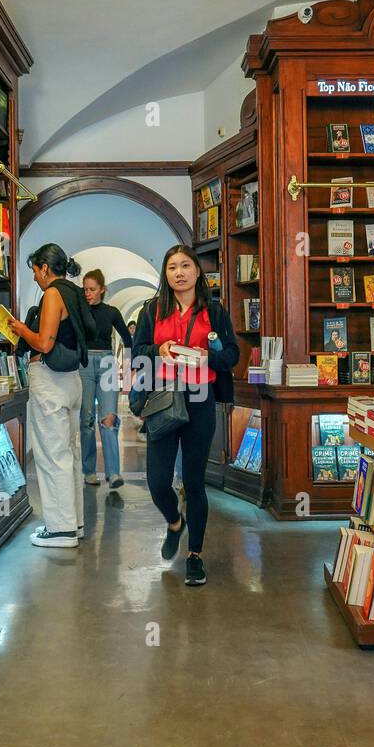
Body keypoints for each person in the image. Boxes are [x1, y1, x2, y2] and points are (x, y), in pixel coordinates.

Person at [132, 245, 239, 585]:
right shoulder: (153, 310)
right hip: (163, 399)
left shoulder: (215, 312)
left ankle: (195, 556)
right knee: (158, 481)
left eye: (185, 266)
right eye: (172, 267)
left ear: (196, 272)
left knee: (194, 482)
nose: (179, 272)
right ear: (165, 275)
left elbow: (232, 354)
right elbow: (138, 354)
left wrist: (209, 357)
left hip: (200, 398)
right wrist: (158, 350)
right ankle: (175, 523)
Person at [7, 244, 94, 548]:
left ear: (45, 267)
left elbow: (44, 343)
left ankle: (60, 530)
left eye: (34, 271)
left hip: (50, 380)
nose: (34, 278)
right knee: (67, 454)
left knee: (51, 456)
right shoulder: (74, 292)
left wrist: (19, 328)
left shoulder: (53, 294)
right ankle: (74, 523)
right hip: (71, 381)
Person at [79, 270, 133, 489]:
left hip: (107, 362)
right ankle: (89, 471)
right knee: (86, 420)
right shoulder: (79, 311)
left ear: (102, 289)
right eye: (85, 290)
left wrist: (130, 367)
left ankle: (113, 474)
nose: (88, 294)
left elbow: (128, 339)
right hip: (83, 365)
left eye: (92, 289)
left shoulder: (111, 312)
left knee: (108, 419)